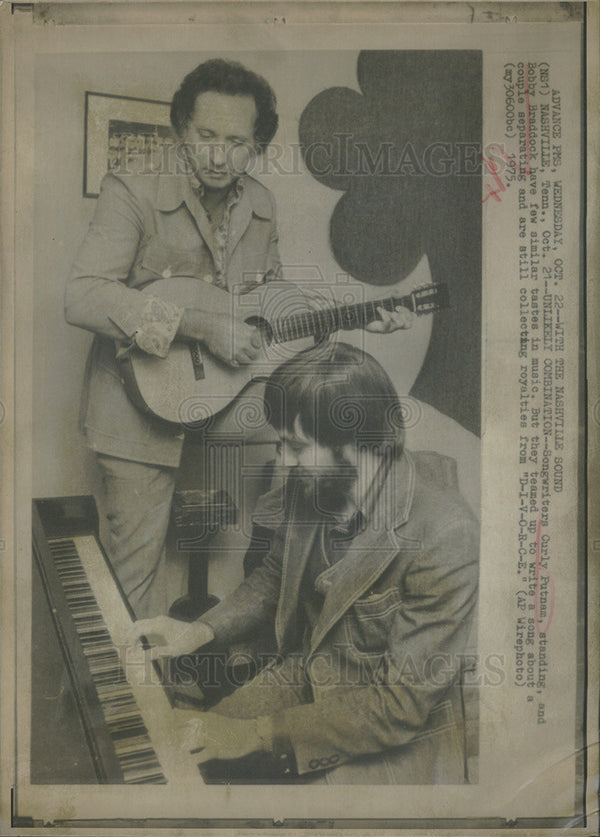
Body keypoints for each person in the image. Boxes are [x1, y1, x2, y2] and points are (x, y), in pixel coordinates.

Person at [65, 58, 413, 619]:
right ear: (181, 130)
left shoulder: (261, 205)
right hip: (134, 411)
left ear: (257, 146)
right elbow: (82, 296)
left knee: (300, 465)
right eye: (205, 136)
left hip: (222, 401)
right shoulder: (131, 189)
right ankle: (121, 699)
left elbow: (267, 306)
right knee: (129, 575)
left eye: (237, 141)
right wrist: (201, 326)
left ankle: (253, 631)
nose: (219, 155)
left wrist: (351, 315)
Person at [129, 342, 479, 785]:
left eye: (296, 445)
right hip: (301, 678)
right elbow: (274, 577)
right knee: (184, 756)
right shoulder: (311, 483)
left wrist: (255, 734)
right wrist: (198, 631)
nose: (284, 460)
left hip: (379, 726)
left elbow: (399, 707)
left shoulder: (447, 535)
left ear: (355, 444)